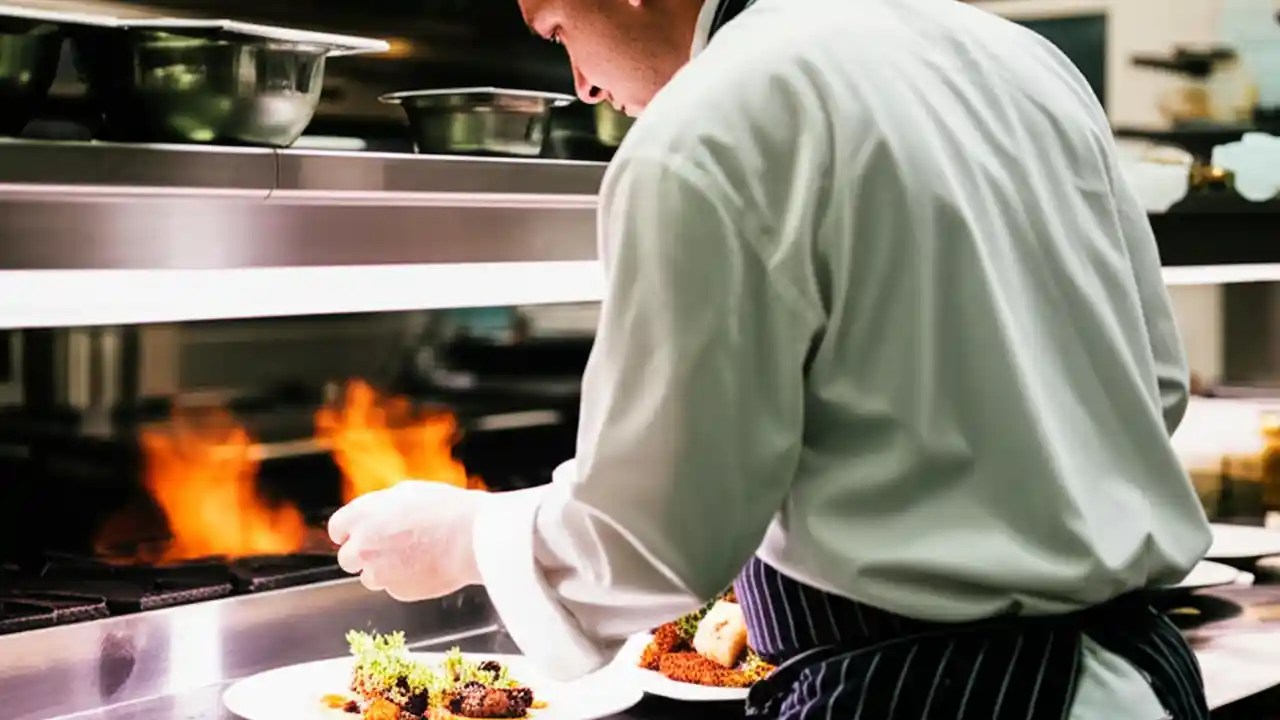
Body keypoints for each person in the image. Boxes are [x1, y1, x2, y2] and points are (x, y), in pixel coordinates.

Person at [327, 0, 1215, 716]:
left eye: (560, 31)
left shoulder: (707, 124)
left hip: (935, 695)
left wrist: (464, 538)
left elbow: (653, 541)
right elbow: (1154, 385)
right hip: (1147, 677)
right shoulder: (1026, 62)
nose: (585, 83)